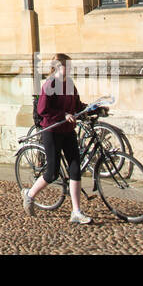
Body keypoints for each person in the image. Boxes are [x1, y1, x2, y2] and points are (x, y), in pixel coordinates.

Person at [22, 53, 92, 225]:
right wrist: (64, 114)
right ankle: (29, 195)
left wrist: (90, 109)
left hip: (68, 131)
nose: (70, 68)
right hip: (52, 131)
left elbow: (77, 105)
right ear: (58, 66)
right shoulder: (50, 84)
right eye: (67, 65)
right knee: (52, 173)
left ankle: (76, 211)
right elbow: (42, 109)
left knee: (75, 168)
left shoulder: (69, 84)